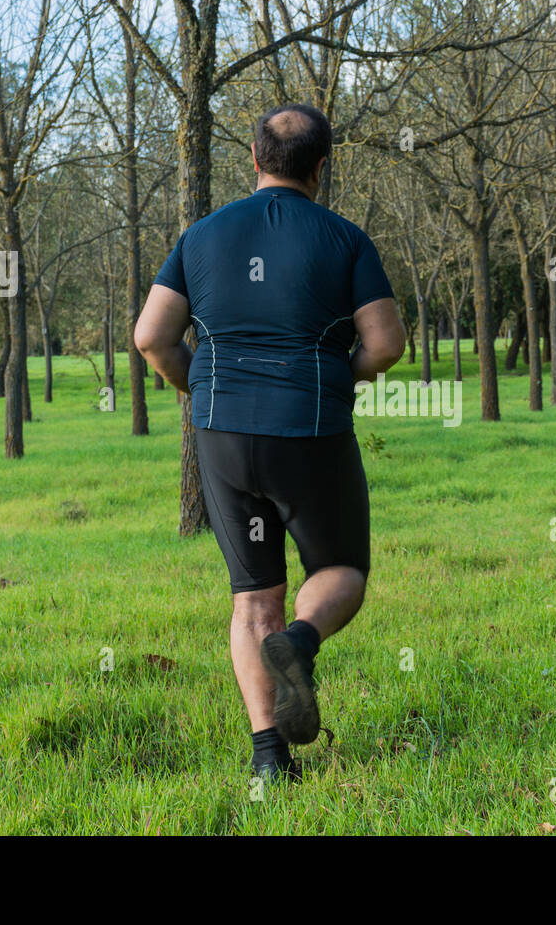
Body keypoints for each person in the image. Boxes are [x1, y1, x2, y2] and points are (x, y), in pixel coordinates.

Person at [134, 103, 406, 782]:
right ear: (322, 168)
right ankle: (301, 643)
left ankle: (269, 761)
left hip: (222, 436)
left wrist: (197, 387)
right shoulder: (346, 240)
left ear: (253, 160)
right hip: (309, 425)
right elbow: (386, 344)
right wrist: (344, 373)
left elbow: (150, 338)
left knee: (253, 597)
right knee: (341, 570)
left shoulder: (201, 237)